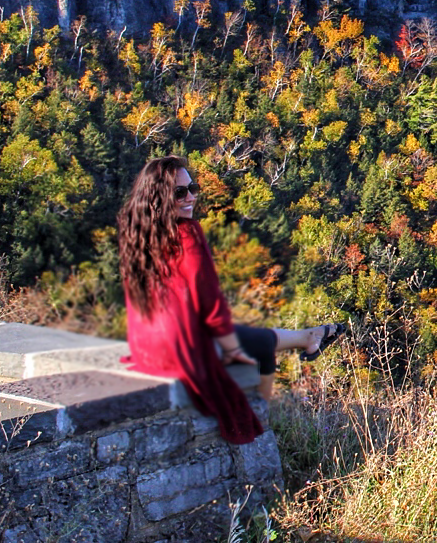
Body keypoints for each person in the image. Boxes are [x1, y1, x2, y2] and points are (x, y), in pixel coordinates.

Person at [118, 155, 344, 445]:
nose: (190, 198)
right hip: (181, 353)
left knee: (247, 338)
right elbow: (210, 304)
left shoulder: (137, 234)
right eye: (179, 192)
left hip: (148, 347)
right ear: (159, 196)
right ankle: (303, 351)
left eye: (193, 188)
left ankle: (309, 337)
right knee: (251, 343)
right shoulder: (187, 234)